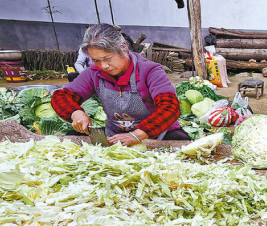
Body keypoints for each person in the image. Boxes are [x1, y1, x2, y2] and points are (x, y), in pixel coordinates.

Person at [52, 23, 190, 145]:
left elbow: (169, 106)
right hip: (114, 135)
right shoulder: (93, 73)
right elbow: (61, 96)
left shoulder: (150, 71)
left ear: (123, 47)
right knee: (72, 138)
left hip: (156, 133)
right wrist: (75, 113)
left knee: (182, 143)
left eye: (108, 58)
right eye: (96, 60)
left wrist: (137, 135)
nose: (104, 66)